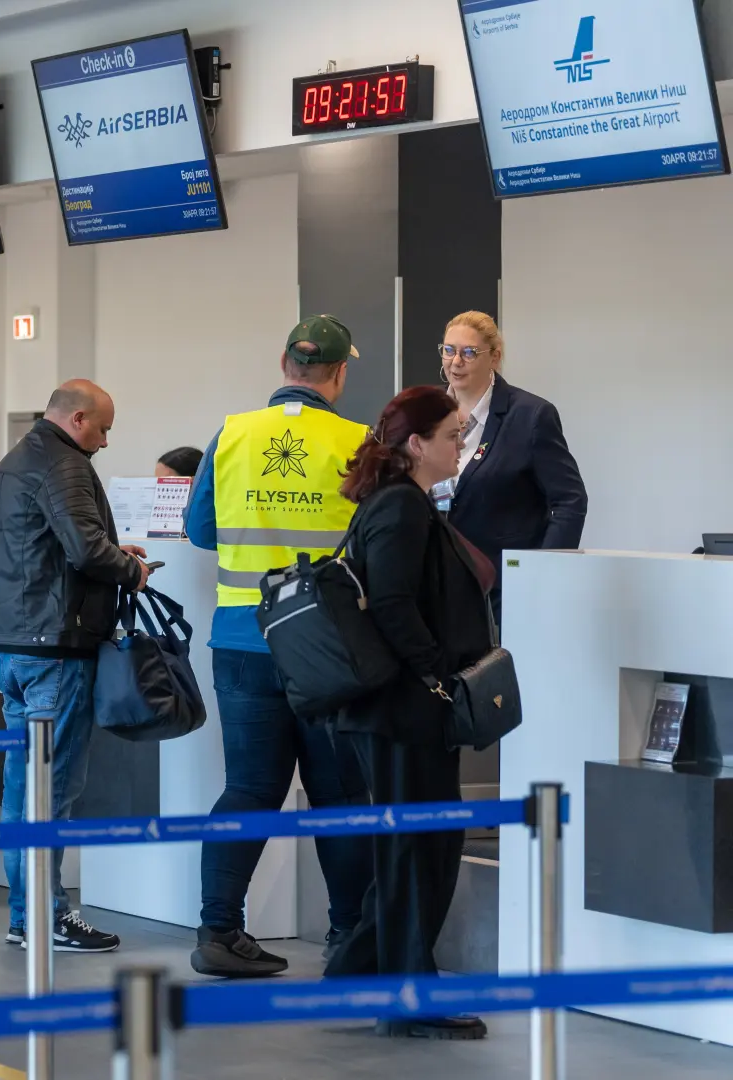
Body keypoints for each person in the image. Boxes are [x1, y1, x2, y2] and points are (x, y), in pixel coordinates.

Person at [184, 315, 374, 978]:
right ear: (339, 373)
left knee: (249, 788)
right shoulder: (356, 440)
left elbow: (201, 531)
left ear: (285, 364)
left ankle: (218, 932)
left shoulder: (232, 432)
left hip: (240, 638)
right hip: (325, 647)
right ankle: (349, 937)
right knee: (338, 797)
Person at [323, 385, 491, 1041]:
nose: (460, 445)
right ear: (416, 444)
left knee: (417, 844)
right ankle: (407, 993)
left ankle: (358, 972)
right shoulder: (401, 508)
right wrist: (434, 675)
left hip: (398, 706)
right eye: (451, 435)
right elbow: (391, 604)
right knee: (419, 848)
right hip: (402, 708)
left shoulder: (402, 503)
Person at [0, 381, 147, 954]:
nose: (104, 440)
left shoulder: (13, 461)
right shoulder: (65, 464)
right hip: (53, 649)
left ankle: (24, 915)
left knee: (21, 788)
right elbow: (84, 549)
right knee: (54, 790)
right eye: (102, 428)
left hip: (9, 647)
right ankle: (46, 916)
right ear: (77, 419)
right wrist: (131, 569)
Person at [436, 310, 586, 614]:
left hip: (505, 588)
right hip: (440, 582)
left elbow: (571, 500)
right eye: (449, 350)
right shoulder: (427, 412)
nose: (456, 361)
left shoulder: (530, 416)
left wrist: (542, 571)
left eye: (469, 352)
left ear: (494, 357)